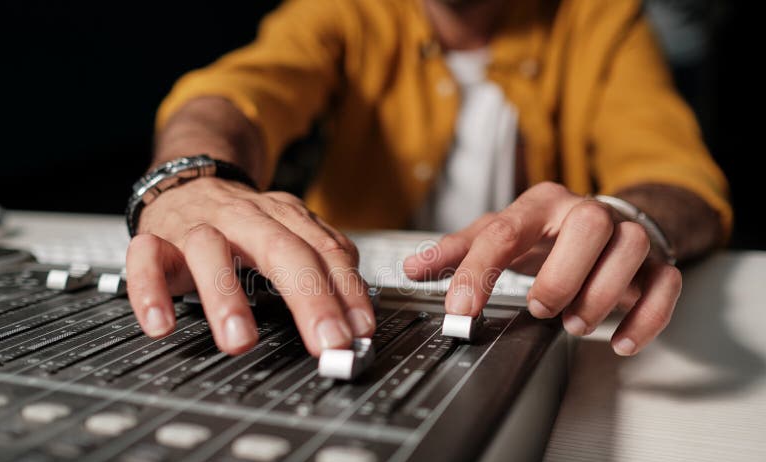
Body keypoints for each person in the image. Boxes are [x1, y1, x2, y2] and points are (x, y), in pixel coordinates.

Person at [124, 0, 730, 361]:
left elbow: (678, 176)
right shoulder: (343, 11)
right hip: (341, 292)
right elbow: (234, 94)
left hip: (543, 328)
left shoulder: (602, 17)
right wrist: (193, 177)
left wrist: (626, 220)